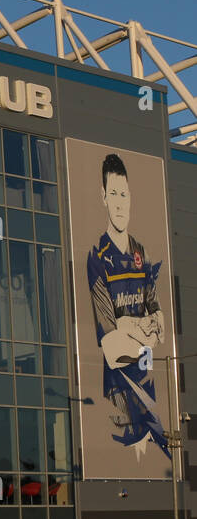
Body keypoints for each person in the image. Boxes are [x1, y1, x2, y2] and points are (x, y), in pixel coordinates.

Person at [86, 153, 168, 459]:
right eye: (113, 195)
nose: (120, 203)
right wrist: (141, 330)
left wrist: (130, 326)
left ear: (130, 196)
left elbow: (159, 326)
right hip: (119, 395)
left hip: (148, 387)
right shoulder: (97, 257)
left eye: (124, 194)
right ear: (103, 198)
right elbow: (111, 346)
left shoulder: (141, 252)